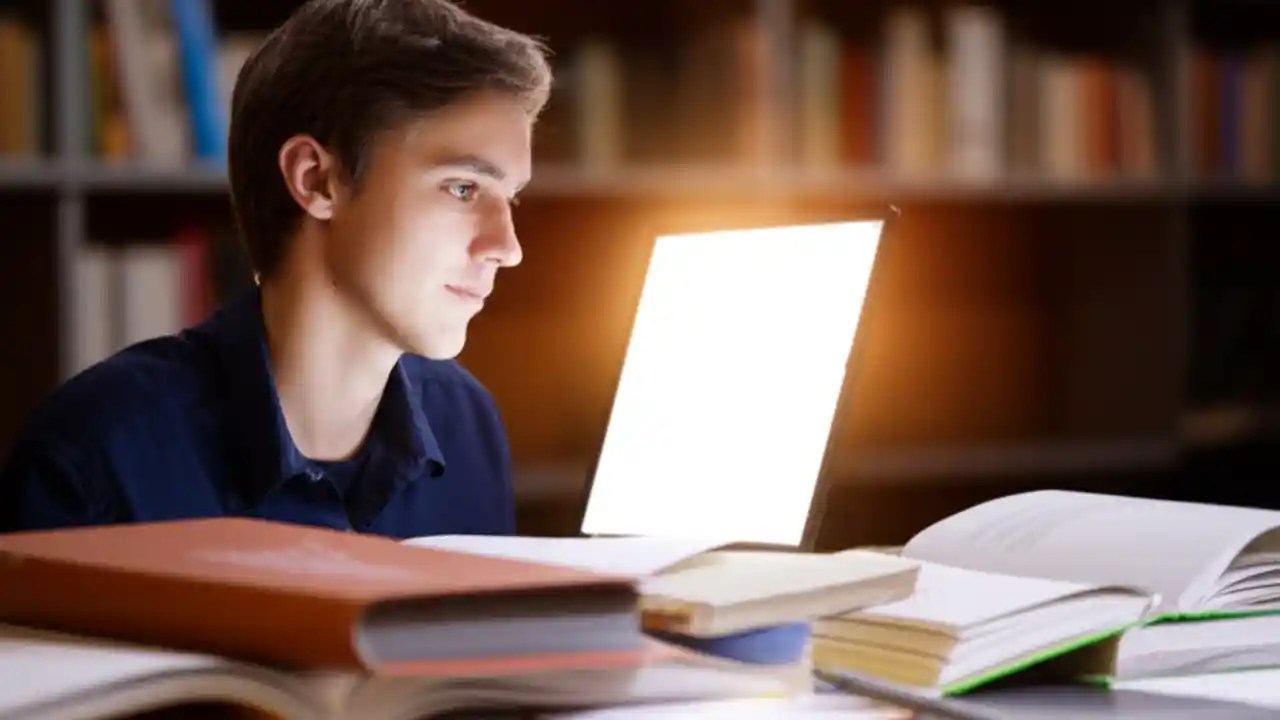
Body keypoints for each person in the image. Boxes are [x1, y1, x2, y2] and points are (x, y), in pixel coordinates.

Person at [0, 0, 550, 536]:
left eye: (511, 197)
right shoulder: (94, 458)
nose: (507, 246)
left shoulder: (468, 430)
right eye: (463, 188)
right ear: (315, 180)